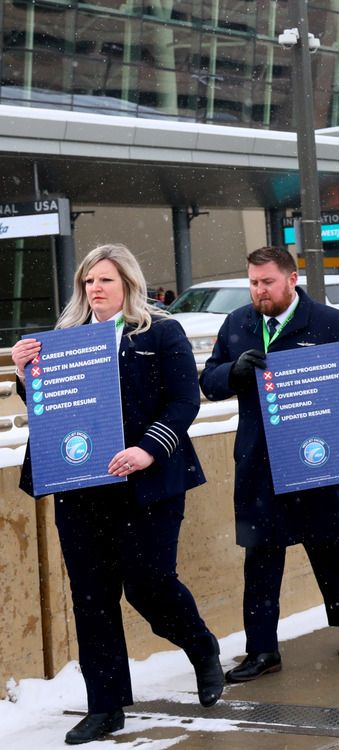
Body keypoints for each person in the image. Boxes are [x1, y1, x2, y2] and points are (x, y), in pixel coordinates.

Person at [11, 244, 223, 745]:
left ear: (128, 282)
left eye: (105, 279)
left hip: (146, 483)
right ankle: (105, 706)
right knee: (92, 596)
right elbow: (51, 406)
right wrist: (26, 374)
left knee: (149, 583)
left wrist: (149, 449)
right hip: (82, 486)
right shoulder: (66, 340)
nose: (95, 289)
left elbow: (183, 399)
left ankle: (200, 646)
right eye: (88, 281)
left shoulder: (159, 331)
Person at [200, 246, 339, 682]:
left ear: (291, 279)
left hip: (318, 454)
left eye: (267, 282)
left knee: (332, 545)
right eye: (252, 282)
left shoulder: (329, 323)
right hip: (260, 463)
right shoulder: (237, 324)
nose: (259, 291)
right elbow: (209, 381)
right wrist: (233, 372)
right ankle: (262, 650)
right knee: (260, 559)